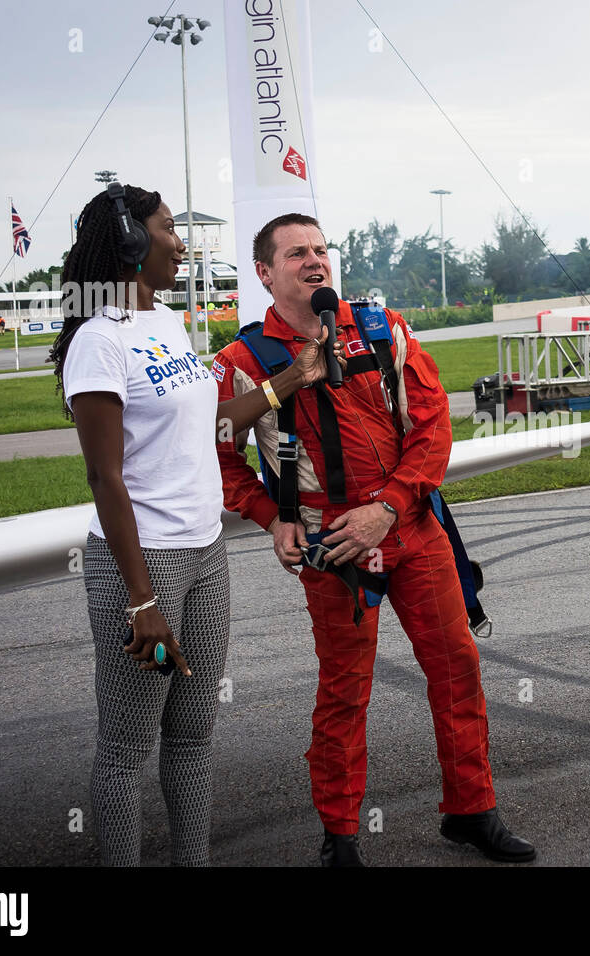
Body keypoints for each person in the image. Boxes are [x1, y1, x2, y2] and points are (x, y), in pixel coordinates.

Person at [213, 213, 535, 867]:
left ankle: (471, 811)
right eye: (296, 253)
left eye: (322, 249)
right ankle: (340, 838)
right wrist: (269, 516)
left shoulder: (383, 329)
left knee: (456, 668)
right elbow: (219, 453)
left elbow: (433, 423)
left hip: (409, 527)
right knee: (344, 687)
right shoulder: (244, 362)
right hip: (330, 546)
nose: (315, 261)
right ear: (265, 274)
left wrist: (388, 509)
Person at [50, 183, 329, 866]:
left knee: (195, 731)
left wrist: (289, 380)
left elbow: (208, 427)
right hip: (143, 565)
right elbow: (104, 477)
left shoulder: (167, 324)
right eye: (170, 229)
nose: (183, 243)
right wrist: (141, 601)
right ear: (131, 243)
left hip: (204, 553)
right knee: (126, 748)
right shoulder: (99, 342)